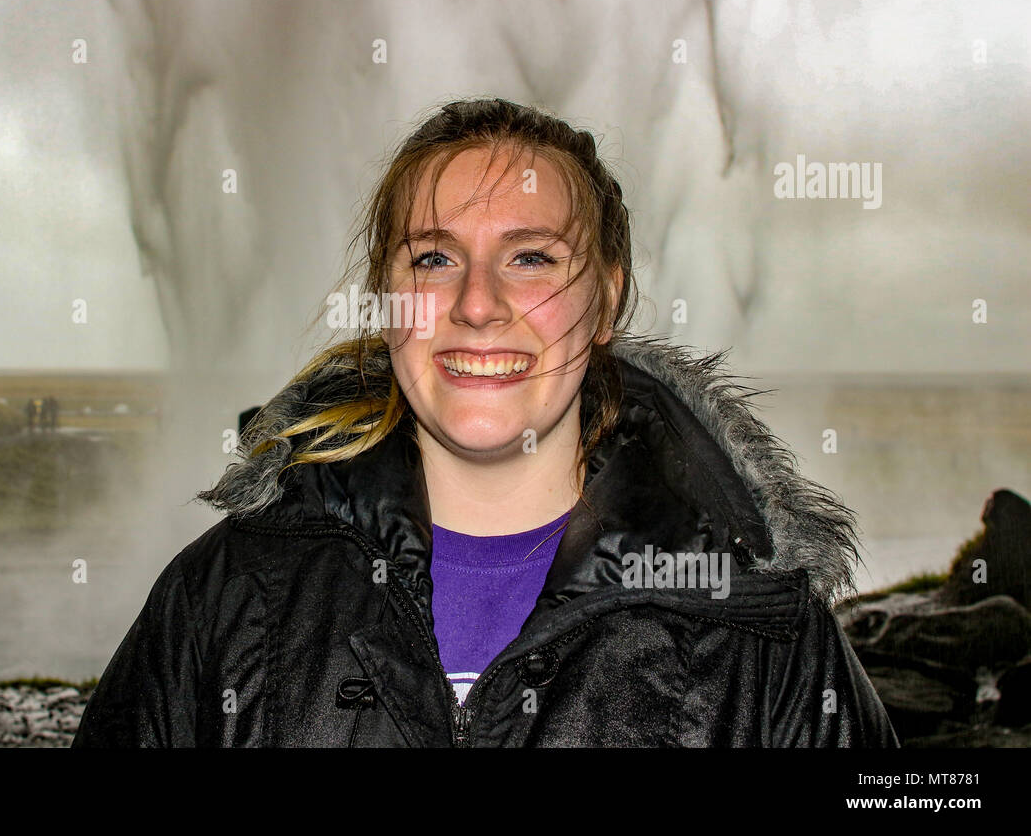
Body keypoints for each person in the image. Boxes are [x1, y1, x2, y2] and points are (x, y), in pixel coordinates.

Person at [73, 98, 898, 747]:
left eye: (531, 257)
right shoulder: (226, 596)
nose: (475, 304)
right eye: (433, 258)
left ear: (607, 298)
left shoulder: (756, 625)